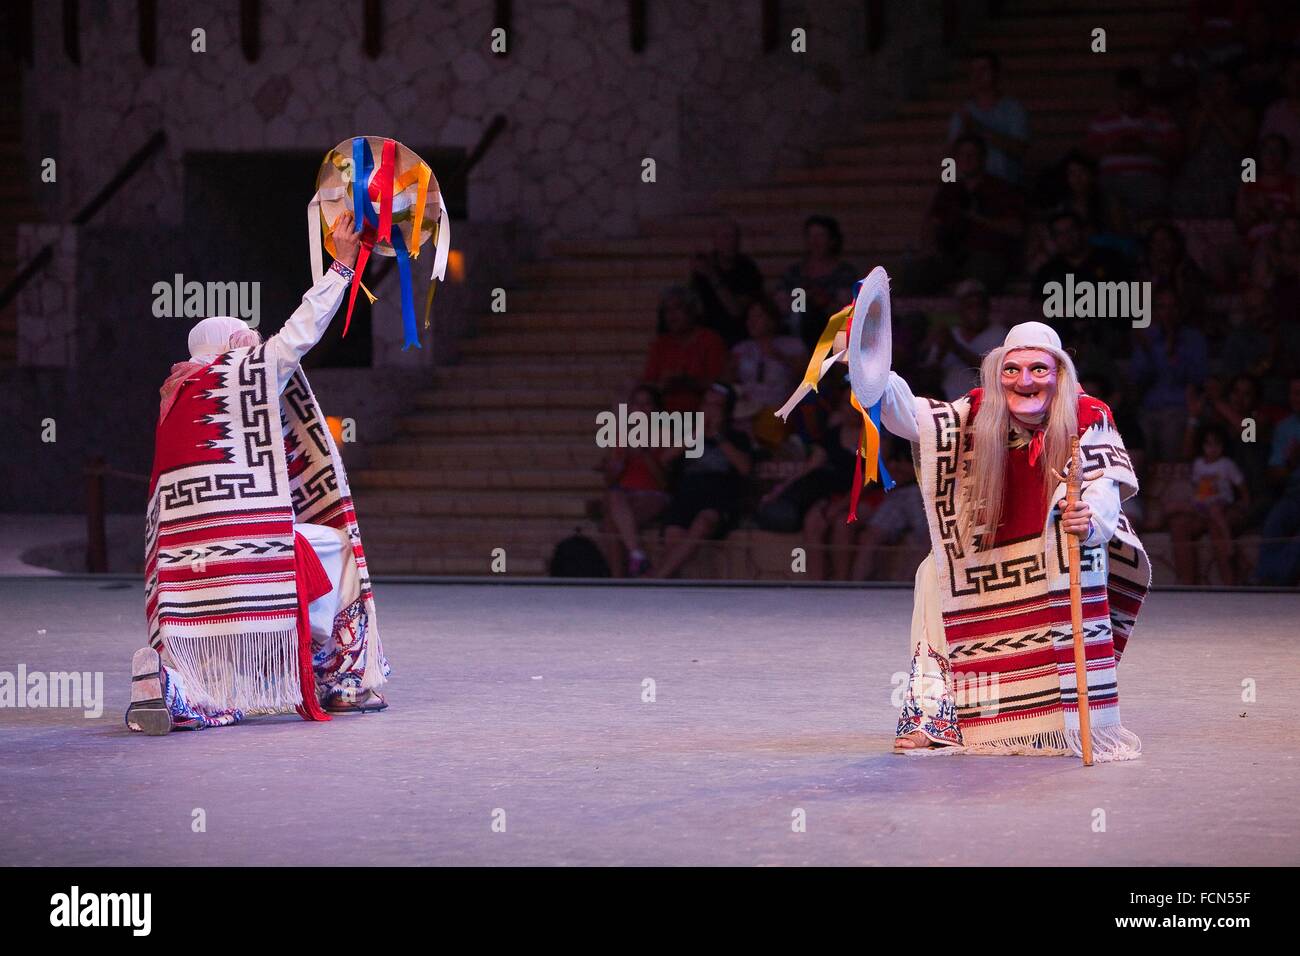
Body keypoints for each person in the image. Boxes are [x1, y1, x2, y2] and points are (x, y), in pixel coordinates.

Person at [127, 211, 391, 735]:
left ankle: (166, 682)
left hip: (184, 570)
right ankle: (337, 678)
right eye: (246, 337)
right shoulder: (241, 374)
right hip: (245, 551)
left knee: (212, 697)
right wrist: (342, 266)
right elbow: (300, 333)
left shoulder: (175, 397)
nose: (255, 342)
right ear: (228, 348)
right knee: (336, 548)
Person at [880, 320, 1150, 758]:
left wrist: (1088, 517)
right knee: (932, 572)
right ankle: (933, 716)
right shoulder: (981, 407)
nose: (1024, 381)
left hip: (1064, 544)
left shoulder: (1089, 413)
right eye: (1012, 370)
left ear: (1059, 374)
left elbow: (1105, 486)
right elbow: (913, 418)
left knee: (1081, 561)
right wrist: (875, 372)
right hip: (993, 551)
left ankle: (1060, 723)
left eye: (1037, 370)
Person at [653, 383, 753, 579]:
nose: (710, 409)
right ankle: (665, 586)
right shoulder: (689, 433)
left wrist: (717, 435)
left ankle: (654, 579)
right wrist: (698, 432)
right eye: (707, 404)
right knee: (673, 536)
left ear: (726, 411)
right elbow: (665, 458)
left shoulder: (736, 437)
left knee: (703, 522)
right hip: (687, 496)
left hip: (718, 499)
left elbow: (745, 468)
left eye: (716, 406)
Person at [904, 133, 1025, 294]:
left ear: (983, 158)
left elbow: (1016, 228)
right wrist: (929, 248)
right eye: (962, 155)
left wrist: (978, 218)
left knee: (982, 270)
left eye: (972, 155)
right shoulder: (949, 190)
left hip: (986, 257)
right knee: (915, 273)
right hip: (949, 257)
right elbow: (933, 223)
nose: (967, 159)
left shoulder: (1001, 189)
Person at [1085, 68, 1182, 220]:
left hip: (1150, 179)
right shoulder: (1102, 120)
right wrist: (1114, 148)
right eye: (1123, 97)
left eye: (1133, 97)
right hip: (1112, 179)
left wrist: (1147, 148)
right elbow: (1089, 154)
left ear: (1142, 95)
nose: (1129, 102)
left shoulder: (1161, 118)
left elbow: (1177, 152)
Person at [598, 385, 672, 578]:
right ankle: (637, 556)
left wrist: (645, 453)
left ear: (655, 409)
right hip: (622, 495)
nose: (641, 408)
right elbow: (609, 480)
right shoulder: (621, 436)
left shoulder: (665, 434)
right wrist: (618, 464)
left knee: (611, 523)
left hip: (653, 494)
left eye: (647, 404)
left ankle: (618, 580)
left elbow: (665, 482)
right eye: (637, 404)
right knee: (613, 495)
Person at [1168, 425, 1251, 584]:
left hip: (1222, 504)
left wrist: (1245, 504)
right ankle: (1185, 584)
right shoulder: (1199, 464)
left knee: (1215, 517)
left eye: (1216, 444)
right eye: (1208, 444)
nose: (1212, 449)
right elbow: (1197, 487)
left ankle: (1228, 553)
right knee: (1177, 515)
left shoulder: (1226, 464)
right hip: (1202, 506)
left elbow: (1241, 486)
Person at [945, 50, 1030, 186]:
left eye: (983, 69)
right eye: (973, 70)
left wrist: (979, 129)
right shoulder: (963, 112)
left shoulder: (1013, 109)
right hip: (971, 190)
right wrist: (948, 185)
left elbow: (1020, 149)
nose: (977, 75)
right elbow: (950, 155)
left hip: (1005, 188)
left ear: (996, 73)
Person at [776, 215, 859, 349]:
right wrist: (801, 299)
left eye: (820, 236)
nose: (814, 242)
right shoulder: (794, 273)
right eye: (810, 236)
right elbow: (782, 307)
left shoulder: (845, 273)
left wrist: (823, 300)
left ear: (832, 240)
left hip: (835, 334)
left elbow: (848, 311)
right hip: (797, 336)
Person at [642, 286, 728, 415]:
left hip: (703, 416)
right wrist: (662, 385)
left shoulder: (710, 340)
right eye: (667, 310)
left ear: (692, 310)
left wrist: (686, 382)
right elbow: (649, 382)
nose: (672, 315)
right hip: (664, 417)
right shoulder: (661, 344)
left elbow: (720, 385)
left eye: (677, 308)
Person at [922, 279, 1008, 400]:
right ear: (959, 309)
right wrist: (939, 353)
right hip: (950, 405)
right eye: (969, 306)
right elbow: (929, 379)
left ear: (988, 307)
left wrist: (954, 346)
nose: (975, 311)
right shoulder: (950, 334)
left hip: (985, 405)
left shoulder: (999, 334)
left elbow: (992, 372)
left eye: (979, 305)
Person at [688, 221, 765, 347]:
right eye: (725, 237)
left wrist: (712, 276)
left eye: (734, 237)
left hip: (740, 337)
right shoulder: (705, 265)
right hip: (709, 337)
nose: (731, 242)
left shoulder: (748, 268)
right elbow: (693, 305)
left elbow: (736, 310)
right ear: (715, 241)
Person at [1256, 376, 1300, 585]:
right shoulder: (1284, 428)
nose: (1296, 398)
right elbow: (1274, 474)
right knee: (1273, 524)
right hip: (1291, 496)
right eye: (1293, 393)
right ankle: (1263, 580)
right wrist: (1291, 463)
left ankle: (1279, 581)